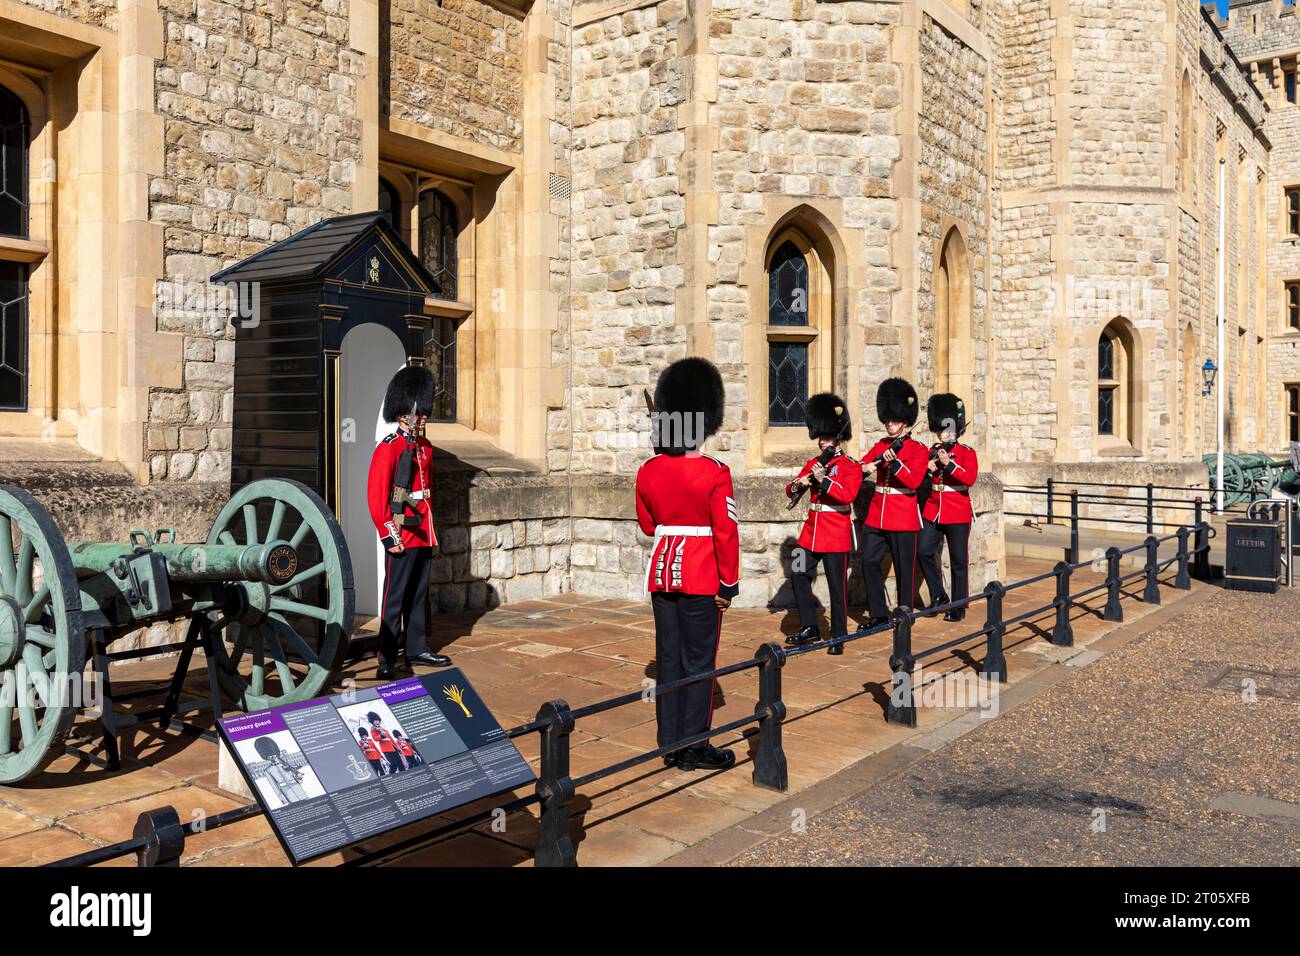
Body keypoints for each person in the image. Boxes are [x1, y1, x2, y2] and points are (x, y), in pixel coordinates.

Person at [635, 357, 741, 772]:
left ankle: (670, 742)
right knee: (700, 662)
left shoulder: (648, 471)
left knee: (669, 657)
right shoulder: (715, 472)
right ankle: (695, 746)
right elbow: (725, 533)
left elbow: (648, 526)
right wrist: (728, 583)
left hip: (662, 574)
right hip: (701, 575)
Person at [366, 365, 452, 680]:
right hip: (402, 532)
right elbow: (376, 498)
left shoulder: (424, 448)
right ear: (405, 414)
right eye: (421, 413)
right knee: (395, 596)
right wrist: (389, 534)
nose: (425, 418)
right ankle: (386, 656)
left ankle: (417, 648)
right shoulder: (389, 448)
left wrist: (431, 533)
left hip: (422, 532)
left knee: (418, 595)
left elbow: (427, 493)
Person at [784, 393, 863, 655]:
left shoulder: (850, 465)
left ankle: (839, 634)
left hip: (836, 532)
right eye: (820, 436)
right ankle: (810, 626)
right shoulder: (813, 462)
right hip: (811, 533)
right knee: (797, 572)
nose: (821, 441)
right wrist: (799, 483)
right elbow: (790, 488)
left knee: (836, 586)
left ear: (837, 437)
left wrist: (824, 481)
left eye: (826, 436)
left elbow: (847, 495)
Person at [861, 378, 928, 627]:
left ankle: (904, 613)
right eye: (888, 420)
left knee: (904, 570)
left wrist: (896, 463)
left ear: (906, 422)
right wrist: (865, 467)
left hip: (902, 516)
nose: (890, 424)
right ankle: (878, 613)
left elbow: (913, 482)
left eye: (896, 420)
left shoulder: (918, 450)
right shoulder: (880, 445)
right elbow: (860, 465)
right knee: (868, 560)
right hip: (877, 514)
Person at [918, 393, 979, 622]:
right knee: (923, 550)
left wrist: (949, 464)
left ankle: (959, 606)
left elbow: (969, 478)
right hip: (934, 510)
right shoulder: (931, 452)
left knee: (958, 561)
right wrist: (928, 468)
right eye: (943, 430)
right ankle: (939, 595)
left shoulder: (966, 452)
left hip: (957, 511)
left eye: (950, 429)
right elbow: (920, 479)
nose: (946, 433)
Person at [253, 736, 308, 804]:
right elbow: (275, 786)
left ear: (276, 753)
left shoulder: (286, 763)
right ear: (265, 757)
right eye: (269, 756)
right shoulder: (268, 771)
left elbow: (298, 778)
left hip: (297, 788)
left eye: (273, 755)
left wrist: (299, 776)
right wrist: (282, 799)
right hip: (286, 791)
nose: (272, 757)